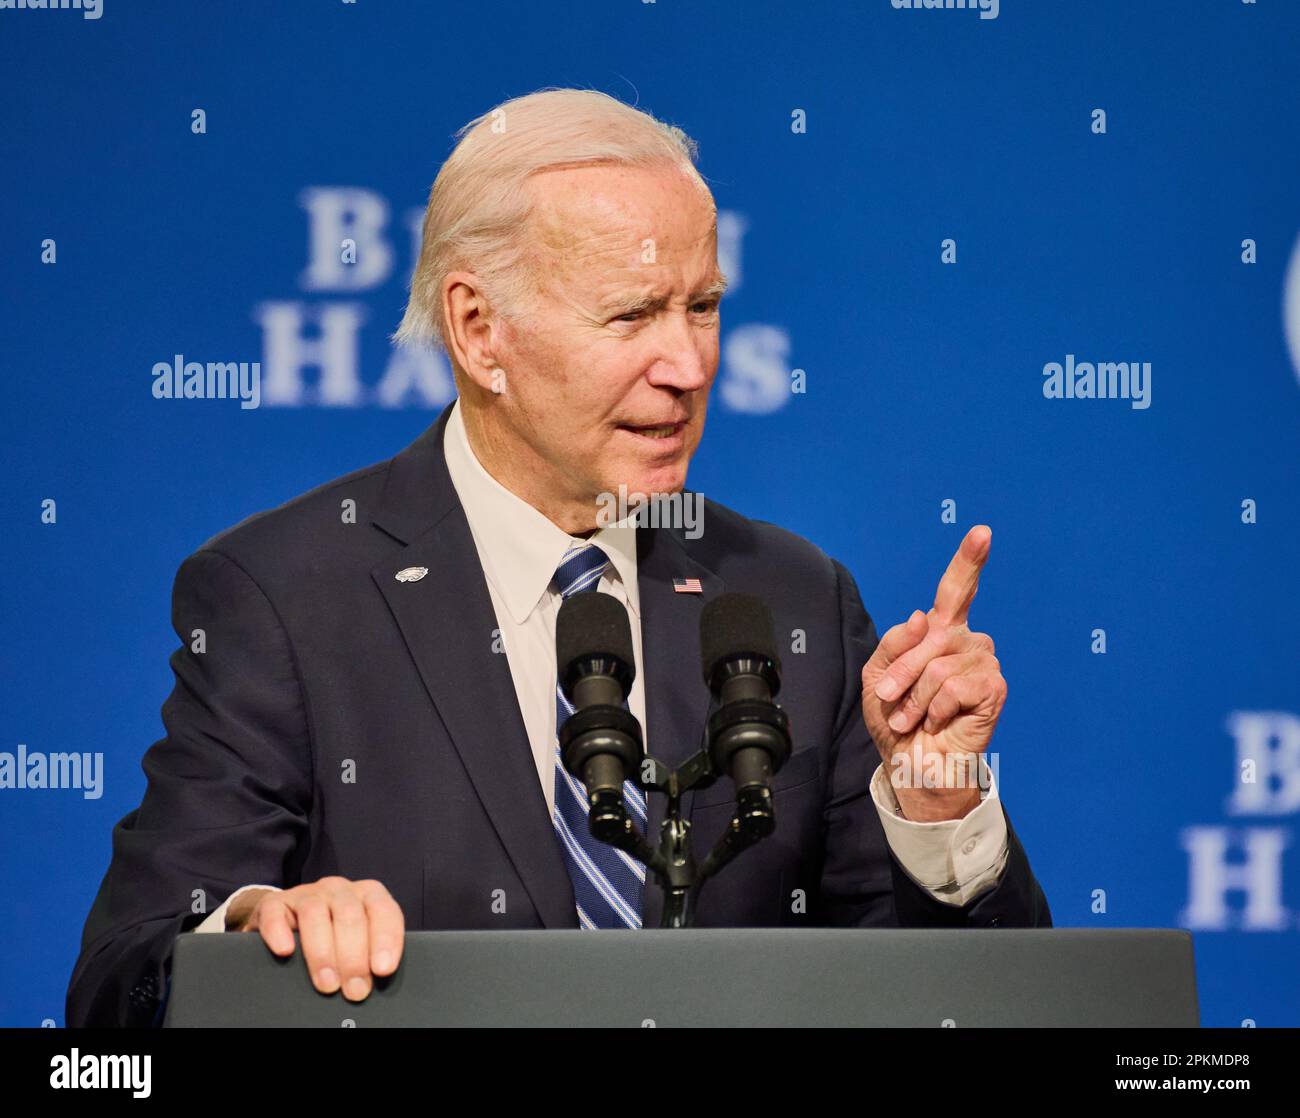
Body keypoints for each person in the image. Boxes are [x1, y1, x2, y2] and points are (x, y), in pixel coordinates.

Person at [67, 88, 1050, 1028]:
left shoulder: (789, 598)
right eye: (630, 315)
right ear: (478, 328)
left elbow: (952, 1007)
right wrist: (247, 934)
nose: (690, 365)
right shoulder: (286, 596)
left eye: (701, 305)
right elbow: (121, 982)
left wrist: (936, 812)